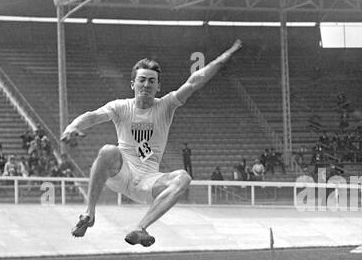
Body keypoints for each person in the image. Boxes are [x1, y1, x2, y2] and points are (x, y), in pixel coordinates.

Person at [64, 42, 242, 247]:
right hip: (121, 172)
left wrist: (223, 59)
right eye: (141, 80)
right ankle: (89, 212)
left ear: (158, 87)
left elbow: (194, 82)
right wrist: (73, 126)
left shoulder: (165, 106)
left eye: (151, 81)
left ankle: (141, 227)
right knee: (108, 150)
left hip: (148, 182)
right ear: (133, 84)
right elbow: (92, 116)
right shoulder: (120, 107)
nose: (146, 85)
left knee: (183, 177)